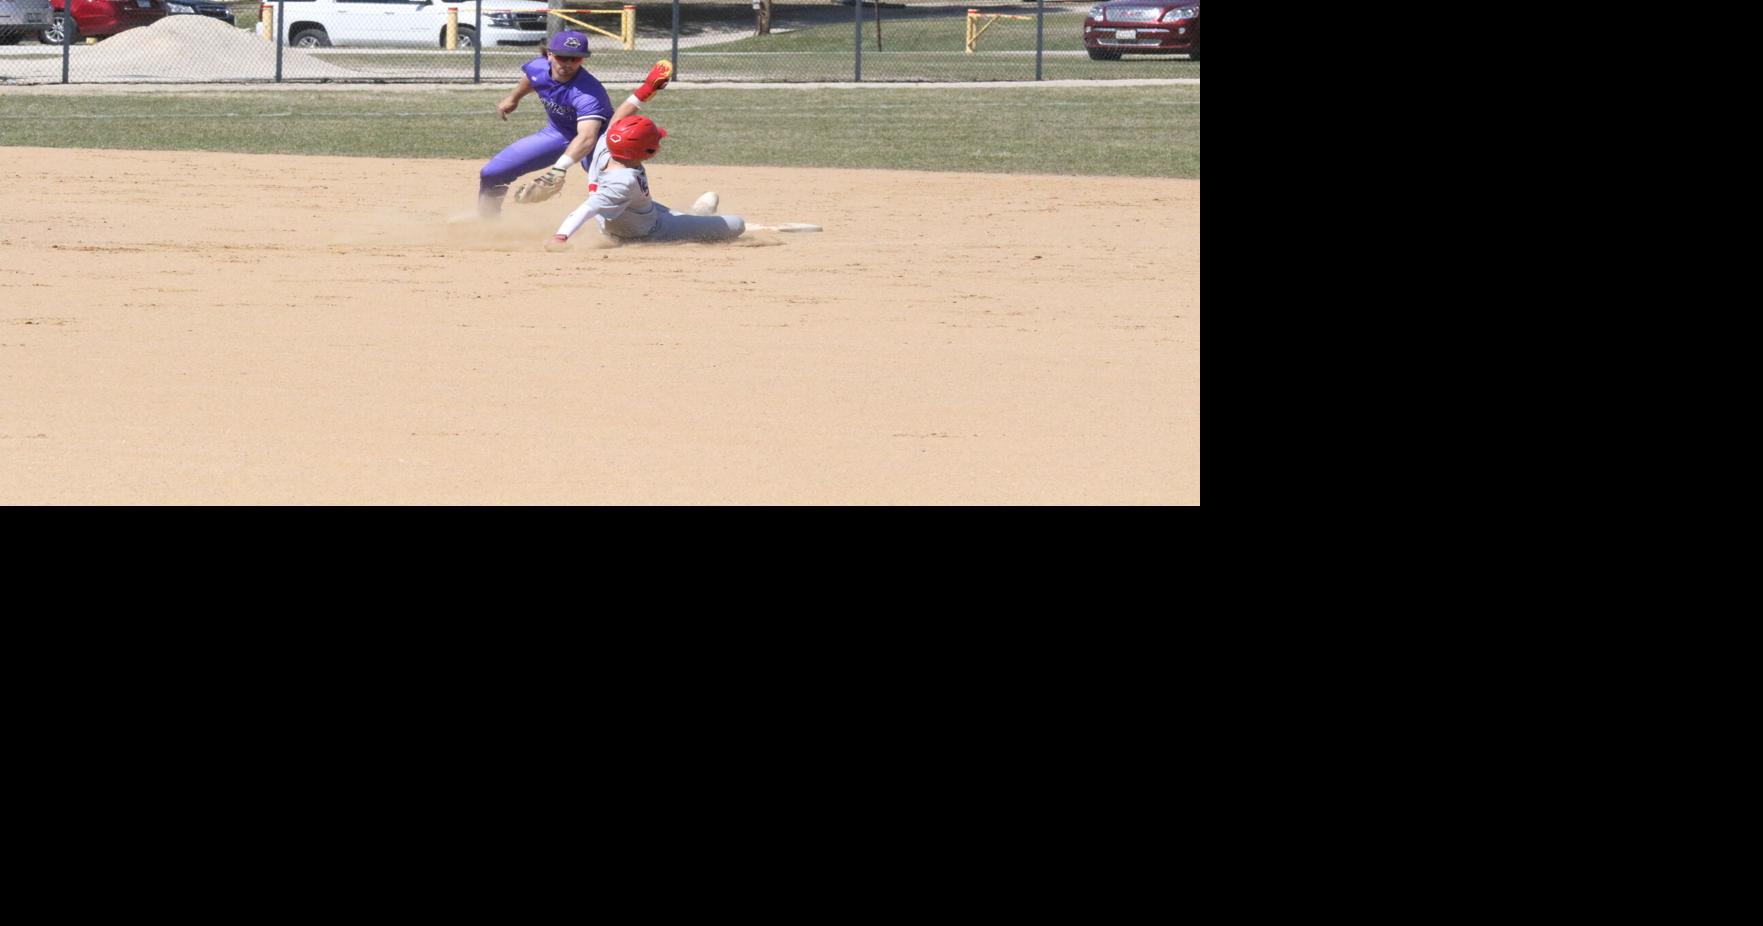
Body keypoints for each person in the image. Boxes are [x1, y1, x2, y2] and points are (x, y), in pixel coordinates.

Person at [543, 95, 746, 249]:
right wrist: (560, 237)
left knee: (666, 212)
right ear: (644, 151)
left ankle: (694, 216)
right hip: (647, 231)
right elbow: (586, 209)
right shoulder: (622, 182)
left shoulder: (608, 145)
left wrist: (646, 90)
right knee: (736, 225)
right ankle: (699, 216)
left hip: (636, 208)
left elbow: (618, 118)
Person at [476, 30, 615, 219]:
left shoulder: (588, 93)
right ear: (550, 54)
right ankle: (486, 221)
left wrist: (559, 168)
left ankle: (636, 224)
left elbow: (587, 137)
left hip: (598, 141)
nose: (567, 63)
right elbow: (532, 78)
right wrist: (513, 98)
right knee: (492, 173)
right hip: (558, 134)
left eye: (575, 59)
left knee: (611, 185)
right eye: (562, 57)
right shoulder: (538, 67)